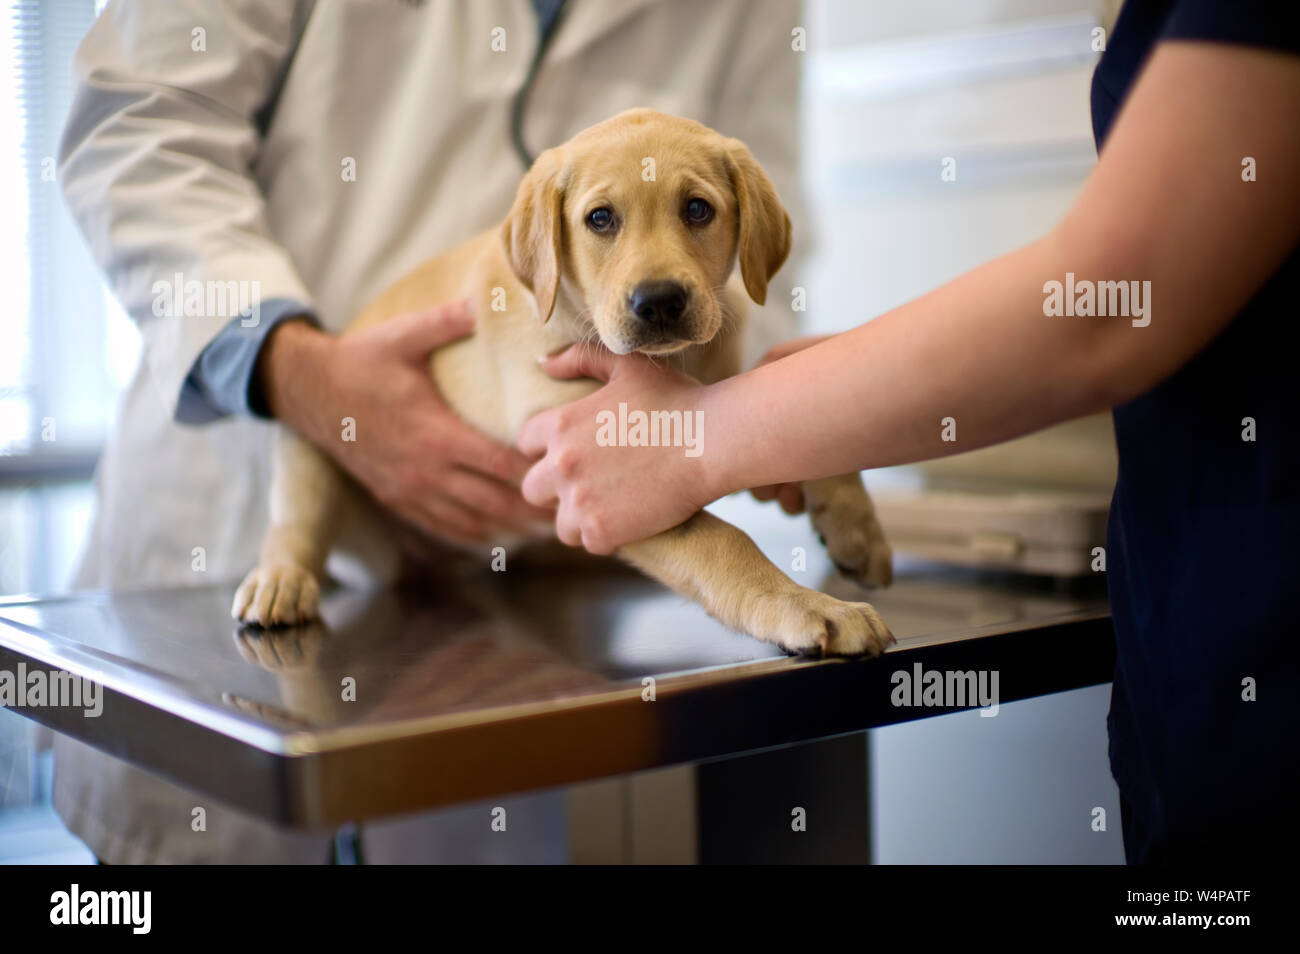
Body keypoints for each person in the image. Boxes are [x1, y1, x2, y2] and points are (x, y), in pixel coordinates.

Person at [519, 0, 1300, 864]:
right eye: (604, 222)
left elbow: (1118, 296)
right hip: (1204, 636)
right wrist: (784, 414)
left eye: (698, 213)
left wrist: (706, 438)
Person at [57, 0, 808, 863]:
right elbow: (138, 123)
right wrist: (301, 373)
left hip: (524, 595)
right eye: (604, 221)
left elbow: (761, 232)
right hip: (249, 475)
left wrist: (739, 416)